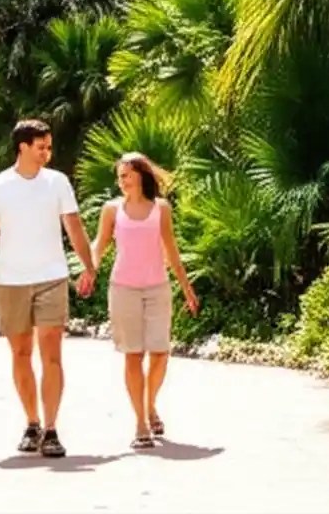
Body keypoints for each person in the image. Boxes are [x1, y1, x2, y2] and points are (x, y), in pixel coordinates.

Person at [0, 118, 97, 458]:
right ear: (22, 147)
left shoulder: (57, 183)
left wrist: (88, 265)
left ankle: (52, 429)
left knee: (52, 351)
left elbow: (74, 226)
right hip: (11, 280)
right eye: (41, 146)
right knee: (21, 353)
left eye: (49, 146)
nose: (47, 153)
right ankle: (31, 422)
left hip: (52, 276)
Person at [90, 152, 199, 449]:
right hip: (123, 288)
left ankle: (150, 403)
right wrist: (88, 271)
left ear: (140, 174)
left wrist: (187, 288)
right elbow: (99, 246)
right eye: (119, 177)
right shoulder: (112, 210)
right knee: (133, 355)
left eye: (126, 175)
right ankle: (140, 422)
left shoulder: (160, 209)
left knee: (161, 352)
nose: (121, 181)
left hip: (157, 288)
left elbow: (171, 250)